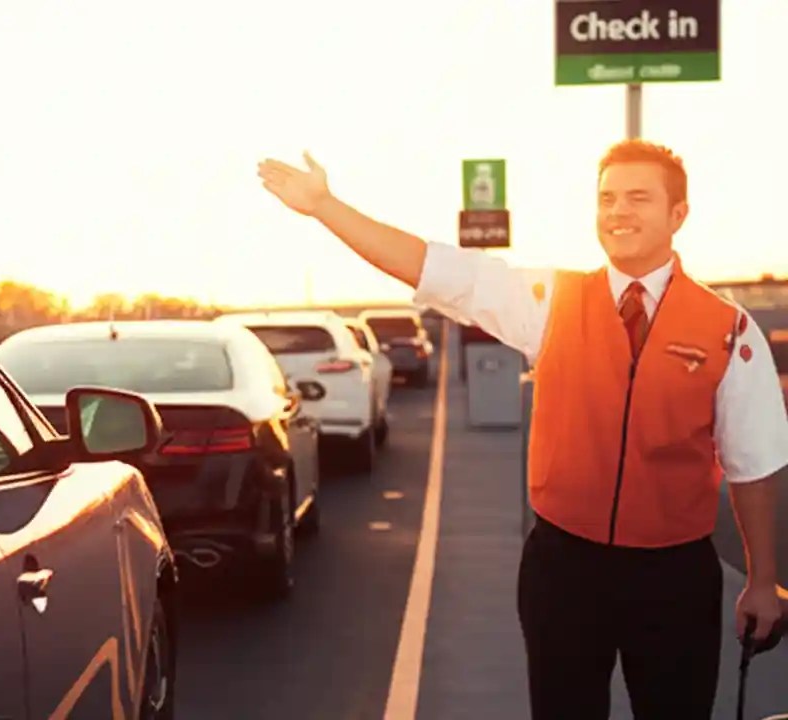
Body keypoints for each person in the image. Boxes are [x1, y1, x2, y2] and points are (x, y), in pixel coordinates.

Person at [258, 140, 787, 718]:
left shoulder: (726, 329)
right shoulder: (551, 300)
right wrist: (326, 206)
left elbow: (752, 465)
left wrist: (762, 580)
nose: (618, 212)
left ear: (677, 214)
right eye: (607, 198)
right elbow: (429, 264)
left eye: (639, 197)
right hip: (564, 569)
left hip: (673, 576)